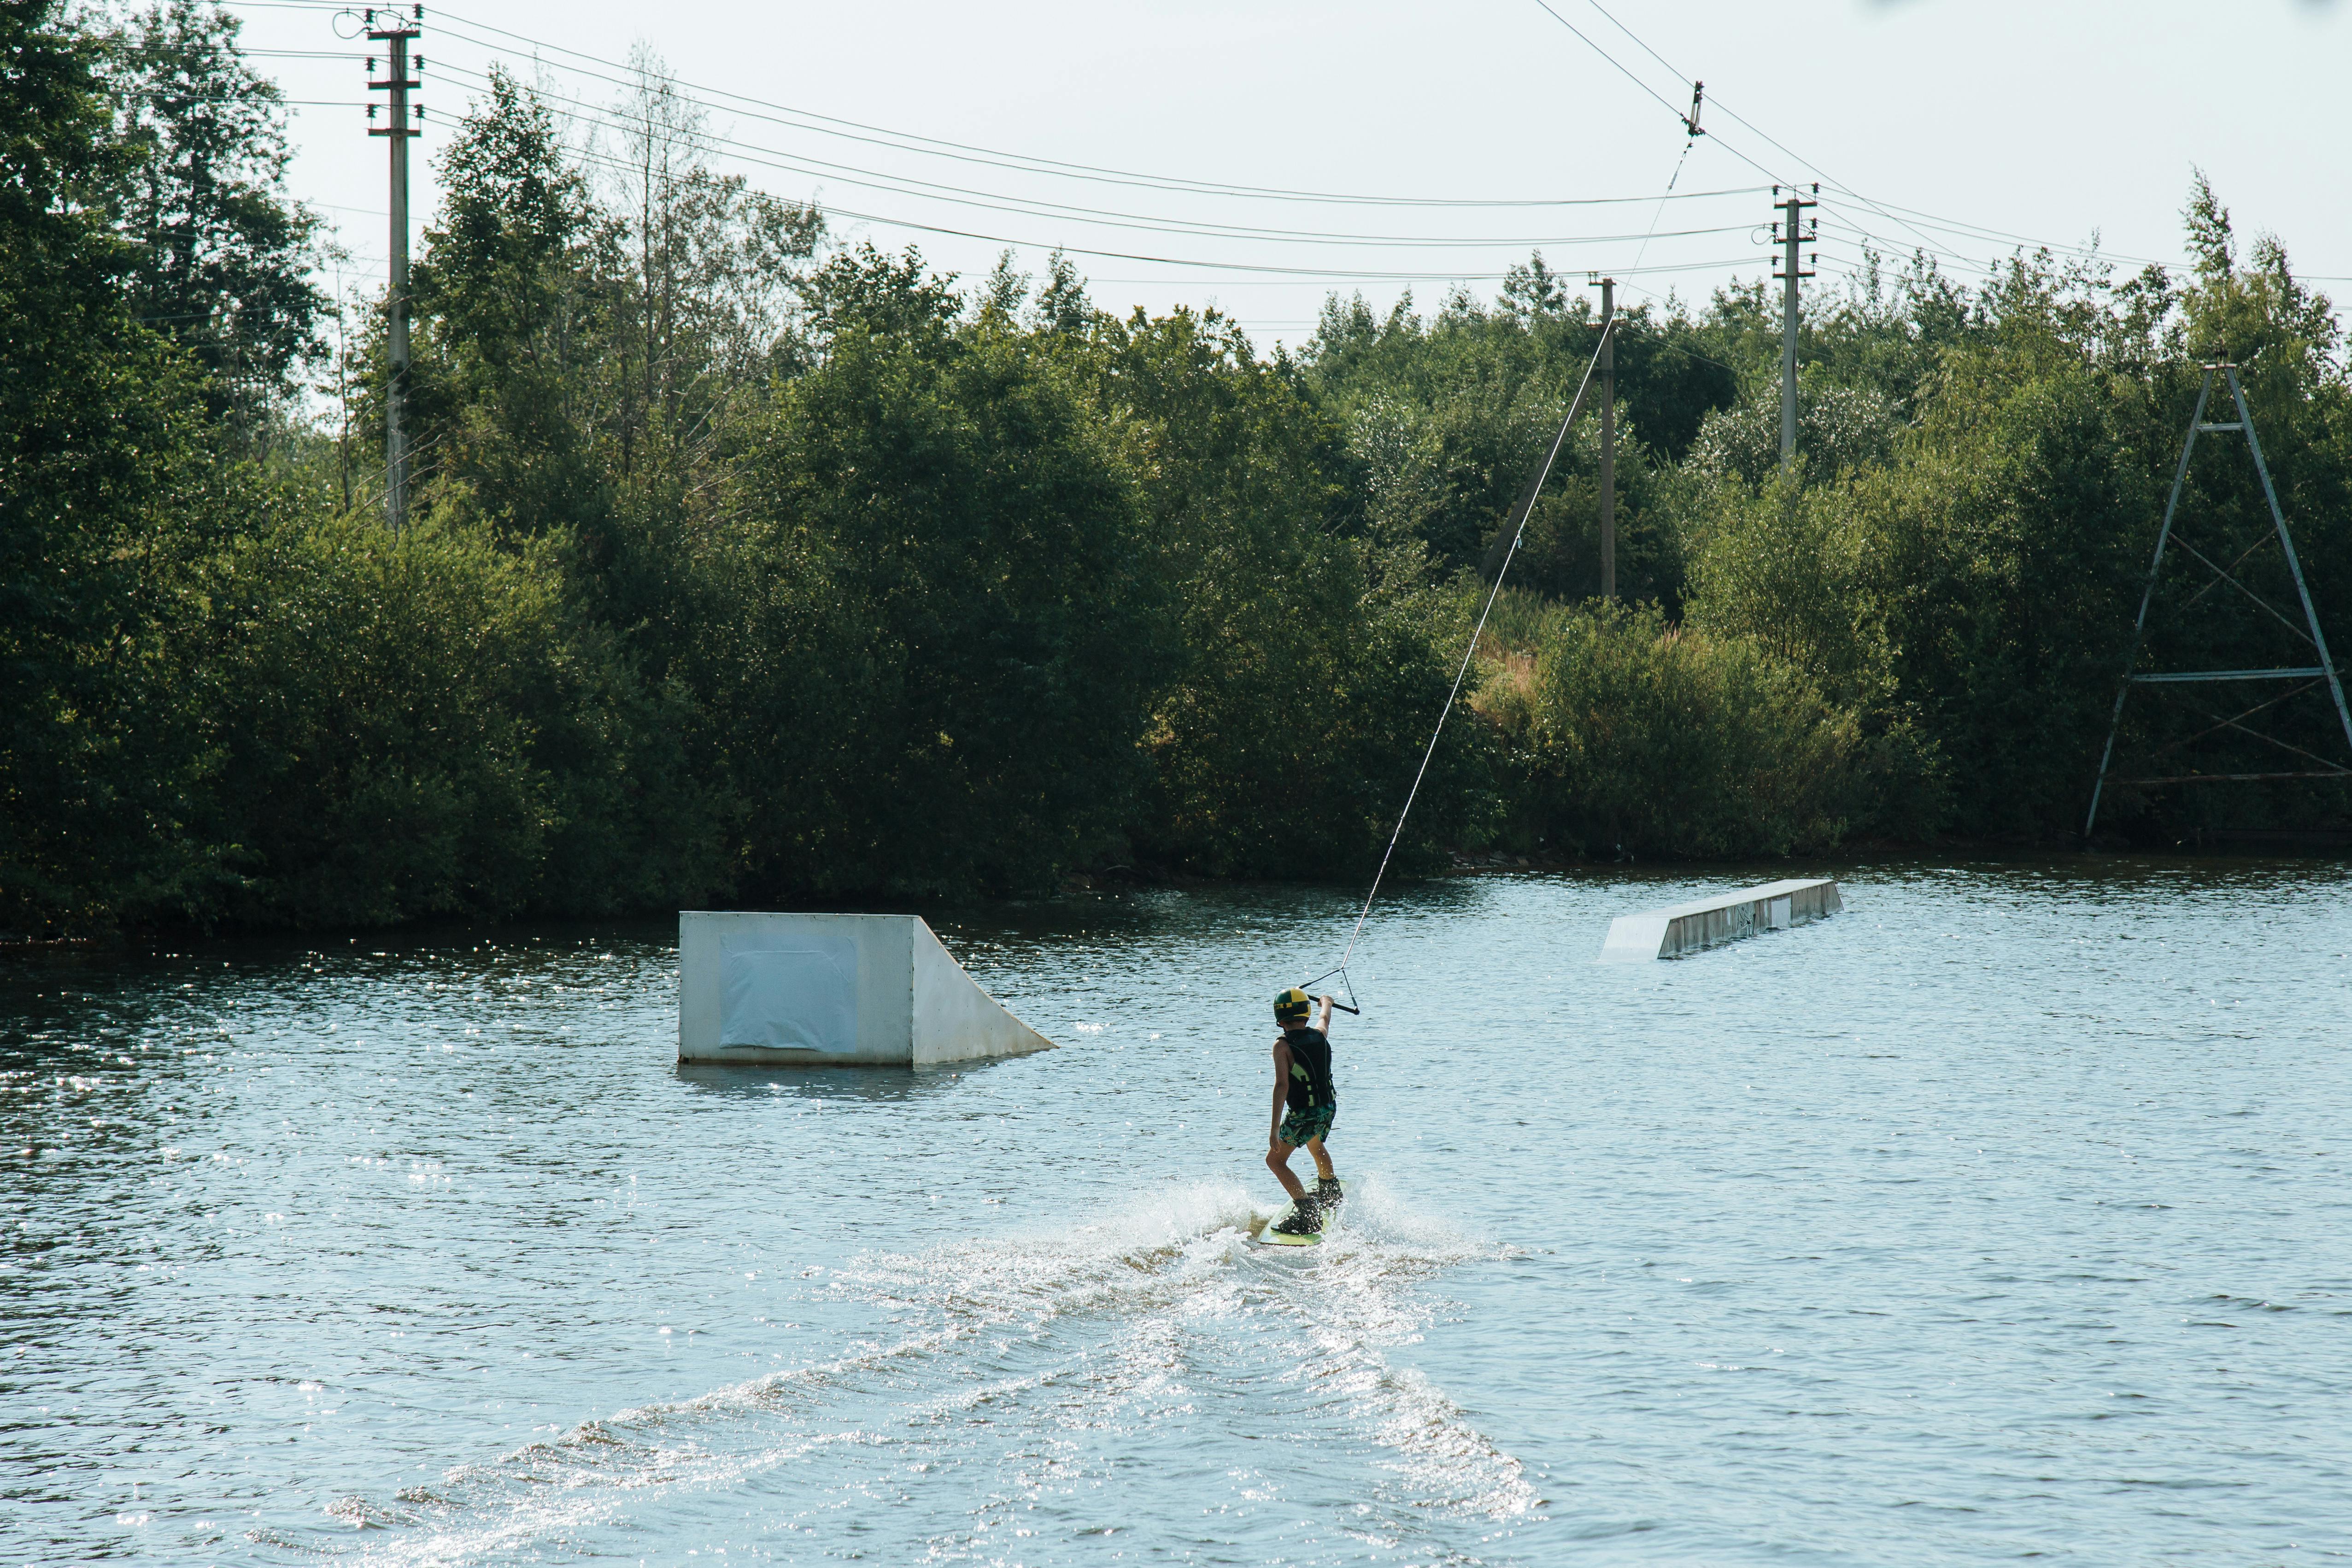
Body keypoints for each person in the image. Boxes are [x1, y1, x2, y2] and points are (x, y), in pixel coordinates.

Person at [1265, 987, 1342, 1236]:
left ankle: (1307, 1213)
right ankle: (1330, 1191)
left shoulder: (1282, 1046)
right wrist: (1326, 1002)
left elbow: (1282, 1086)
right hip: (1328, 1108)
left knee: (1275, 1161)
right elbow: (1325, 1018)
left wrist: (1275, 1128)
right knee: (1315, 1144)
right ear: (1307, 1014)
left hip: (1305, 1114)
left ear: (1279, 1020)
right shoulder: (1320, 1035)